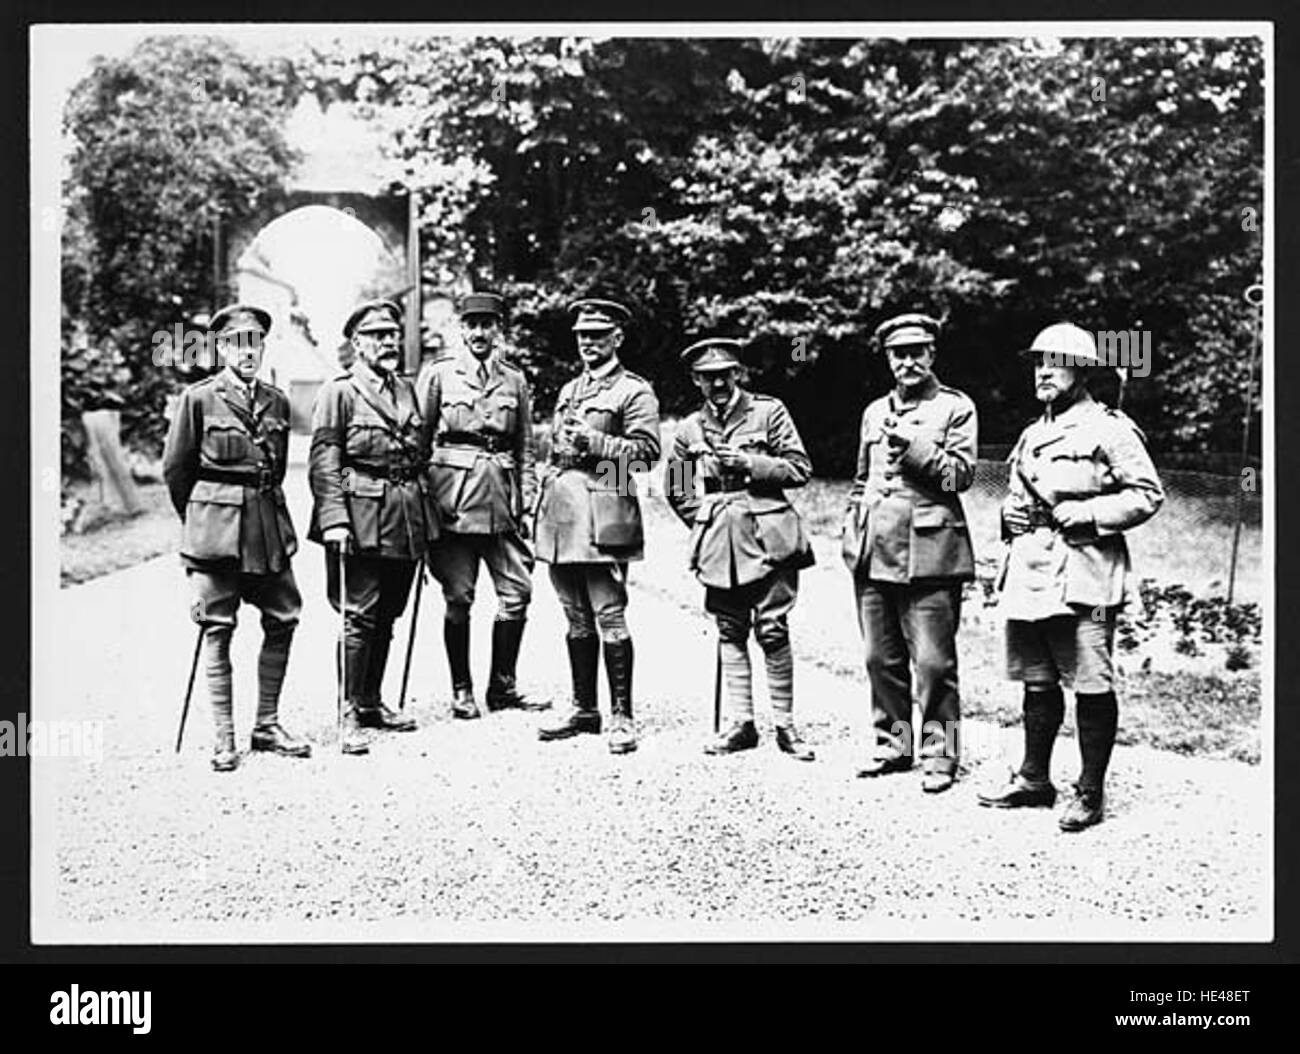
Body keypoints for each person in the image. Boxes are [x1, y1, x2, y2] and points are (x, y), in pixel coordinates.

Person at [977, 322, 1163, 831]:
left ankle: (1090, 791)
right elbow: (1016, 498)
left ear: (1081, 369)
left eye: (1053, 362)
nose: (1043, 372)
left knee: (1091, 679)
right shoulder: (1033, 433)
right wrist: (1007, 520)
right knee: (1037, 679)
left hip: (1086, 571)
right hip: (1032, 568)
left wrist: (1092, 514)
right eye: (1038, 363)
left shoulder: (1110, 429)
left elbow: (1147, 493)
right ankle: (1035, 779)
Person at [162, 304, 310, 772]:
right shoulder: (198, 399)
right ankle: (224, 738)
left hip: (266, 527)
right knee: (216, 626)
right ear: (222, 348)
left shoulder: (277, 401)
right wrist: (203, 517)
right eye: (236, 343)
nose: (247, 352)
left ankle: (266, 724)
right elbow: (176, 471)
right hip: (215, 532)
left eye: (255, 343)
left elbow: (277, 468)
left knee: (285, 615)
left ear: (263, 348)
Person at [842, 312, 977, 793]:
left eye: (917, 351)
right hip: (873, 548)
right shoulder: (874, 411)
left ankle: (942, 755)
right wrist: (850, 525)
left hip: (930, 550)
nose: (908, 361)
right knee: (881, 658)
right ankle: (895, 744)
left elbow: (959, 477)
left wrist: (916, 447)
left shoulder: (955, 408)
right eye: (899, 353)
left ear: (932, 354)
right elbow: (862, 478)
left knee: (935, 664)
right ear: (888, 359)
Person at [664, 338, 817, 759]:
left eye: (725, 374)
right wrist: (704, 517)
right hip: (719, 540)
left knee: (772, 628)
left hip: (769, 534)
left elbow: (800, 468)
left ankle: (786, 726)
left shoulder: (769, 412)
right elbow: (676, 489)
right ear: (696, 380)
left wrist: (750, 464)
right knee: (730, 628)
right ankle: (741, 723)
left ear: (738, 374)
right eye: (708, 376)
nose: (718, 382)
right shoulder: (689, 428)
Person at [307, 298, 439, 754]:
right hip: (360, 517)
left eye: (391, 335)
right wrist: (335, 519)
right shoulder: (338, 392)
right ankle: (346, 713)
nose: (387, 342)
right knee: (359, 616)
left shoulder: (406, 390)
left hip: (404, 516)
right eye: (377, 335)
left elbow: (418, 456)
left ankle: (371, 701)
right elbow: (326, 462)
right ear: (357, 343)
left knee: (389, 613)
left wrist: (427, 517)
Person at [534, 298, 661, 754]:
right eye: (582, 335)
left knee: (609, 613)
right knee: (573, 613)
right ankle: (585, 709)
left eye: (598, 334)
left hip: (602, 515)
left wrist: (597, 443)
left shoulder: (634, 391)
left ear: (617, 338)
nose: (588, 342)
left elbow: (647, 456)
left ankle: (622, 716)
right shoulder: (570, 390)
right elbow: (555, 452)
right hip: (562, 517)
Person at [424, 292, 544, 718]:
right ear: (461, 329)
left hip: (502, 501)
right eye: (471, 324)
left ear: (498, 330)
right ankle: (461, 689)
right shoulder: (439, 375)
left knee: (518, 592)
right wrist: (424, 507)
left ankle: (503, 687)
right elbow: (420, 444)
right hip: (452, 501)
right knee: (459, 596)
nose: (479, 332)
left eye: (487, 324)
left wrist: (526, 496)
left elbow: (526, 444)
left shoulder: (514, 380)